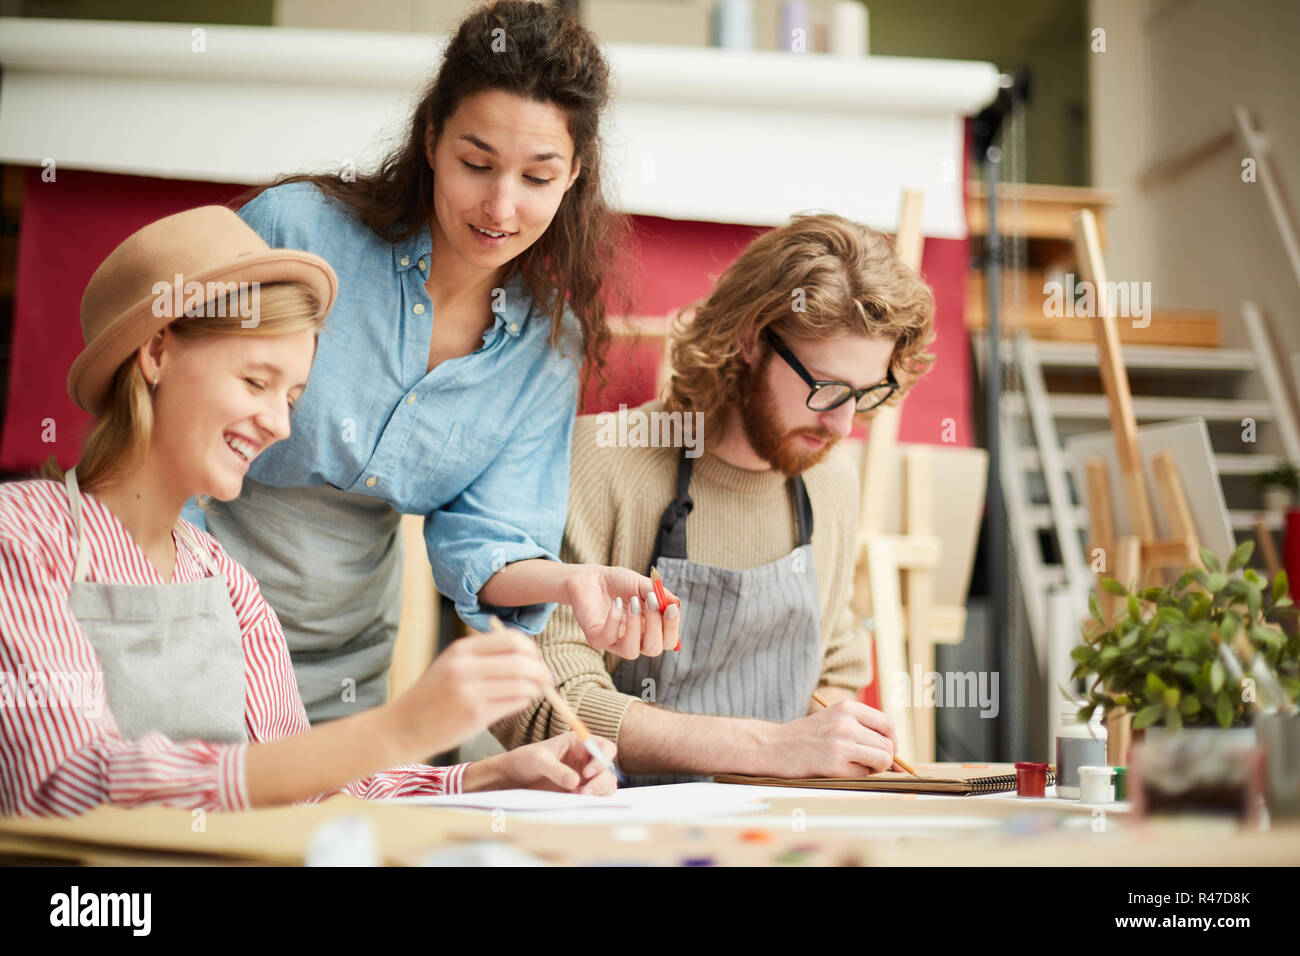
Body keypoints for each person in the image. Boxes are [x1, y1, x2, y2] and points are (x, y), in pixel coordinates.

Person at [0, 207, 615, 818]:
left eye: (292, 397)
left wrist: (494, 776)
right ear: (157, 352)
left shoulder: (226, 581)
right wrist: (400, 726)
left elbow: (305, 777)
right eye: (254, 381)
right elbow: (63, 783)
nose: (279, 424)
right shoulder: (23, 537)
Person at [187, 0, 677, 724]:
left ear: (574, 174)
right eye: (476, 163)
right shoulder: (295, 235)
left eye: (537, 178)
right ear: (430, 140)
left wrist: (572, 581)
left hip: (339, 660)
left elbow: (488, 540)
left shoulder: (547, 347)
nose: (500, 205)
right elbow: (170, 420)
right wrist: (176, 603)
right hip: (182, 604)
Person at [493, 214, 936, 784]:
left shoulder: (831, 482)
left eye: (865, 392)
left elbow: (836, 661)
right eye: (825, 388)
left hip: (775, 825)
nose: (844, 423)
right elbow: (536, 698)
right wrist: (763, 747)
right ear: (750, 339)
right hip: (619, 825)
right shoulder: (604, 459)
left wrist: (837, 735)